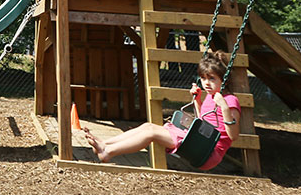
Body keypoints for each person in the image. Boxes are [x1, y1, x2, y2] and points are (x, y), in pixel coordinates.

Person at [83, 50, 241, 171]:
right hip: (199, 143)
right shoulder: (210, 96)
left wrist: (225, 107)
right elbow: (203, 123)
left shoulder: (230, 101)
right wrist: (198, 100)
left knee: (152, 132)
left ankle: (108, 152)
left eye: (212, 78)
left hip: (208, 153)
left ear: (224, 79)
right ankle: (105, 143)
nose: (206, 83)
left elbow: (233, 135)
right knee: (148, 126)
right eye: (204, 78)